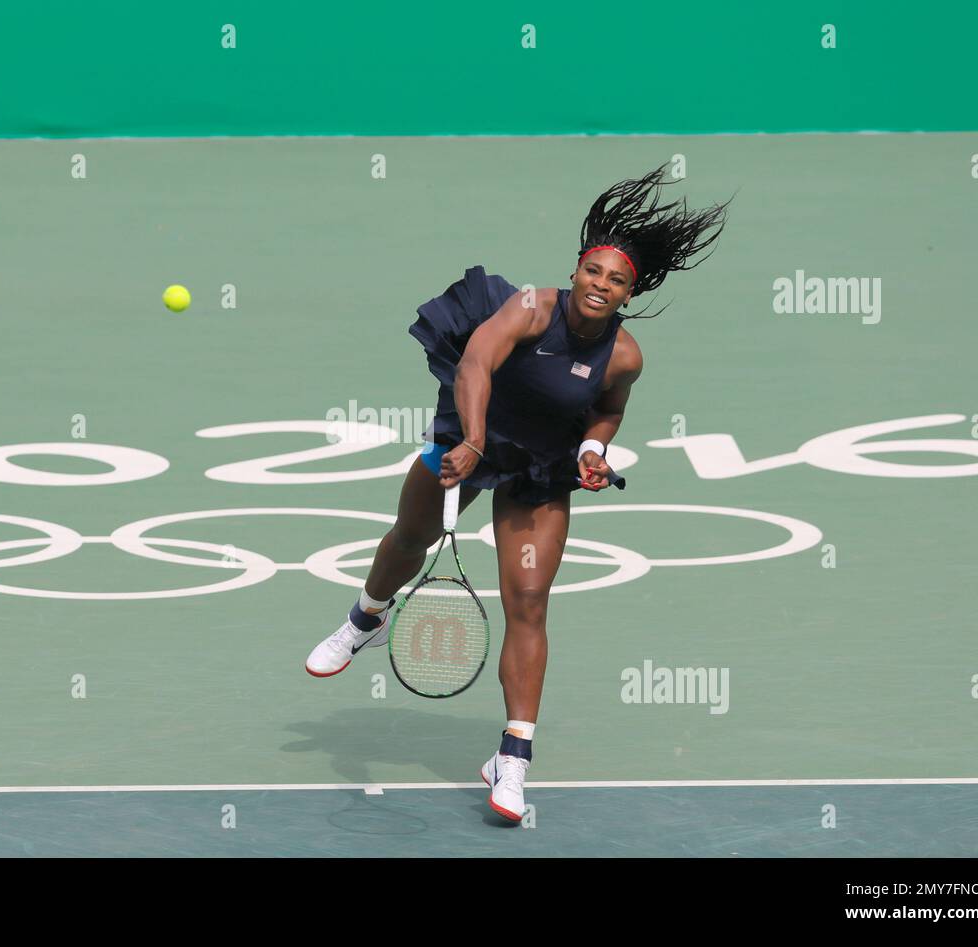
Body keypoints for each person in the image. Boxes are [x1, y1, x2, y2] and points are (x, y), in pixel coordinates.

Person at [306, 164, 731, 822]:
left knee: (528, 600)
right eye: (594, 271)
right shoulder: (531, 308)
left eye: (616, 281)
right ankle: (367, 615)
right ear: (579, 268)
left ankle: (512, 759)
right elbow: (476, 360)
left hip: (541, 468)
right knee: (410, 536)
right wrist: (472, 439)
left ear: (629, 291)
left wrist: (593, 449)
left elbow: (607, 410)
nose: (600, 285)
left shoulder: (624, 356)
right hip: (475, 437)